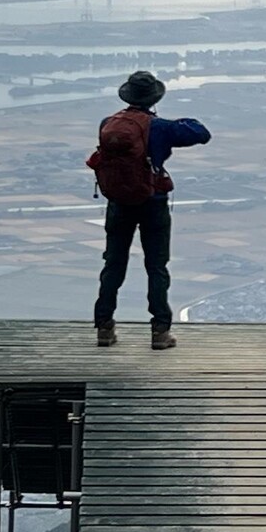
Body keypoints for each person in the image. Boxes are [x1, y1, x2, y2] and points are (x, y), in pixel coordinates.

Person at [89, 71, 211, 350]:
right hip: (152, 202)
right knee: (156, 267)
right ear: (154, 98)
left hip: (118, 202)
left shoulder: (108, 124)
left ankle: (104, 328)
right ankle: (159, 332)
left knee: (113, 264)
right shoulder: (160, 128)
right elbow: (201, 133)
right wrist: (176, 122)